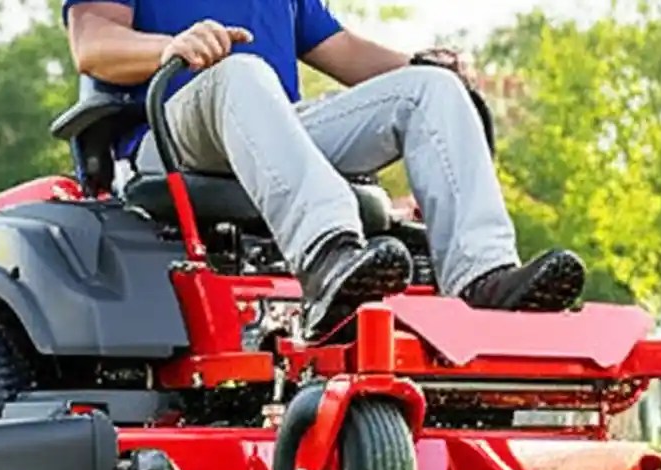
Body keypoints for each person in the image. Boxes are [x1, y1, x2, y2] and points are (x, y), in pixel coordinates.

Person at [61, 1, 586, 336]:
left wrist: (426, 67)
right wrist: (168, 47)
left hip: (270, 129)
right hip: (171, 135)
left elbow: (344, 50)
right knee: (240, 72)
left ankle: (483, 275)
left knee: (433, 89)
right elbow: (93, 44)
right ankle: (328, 255)